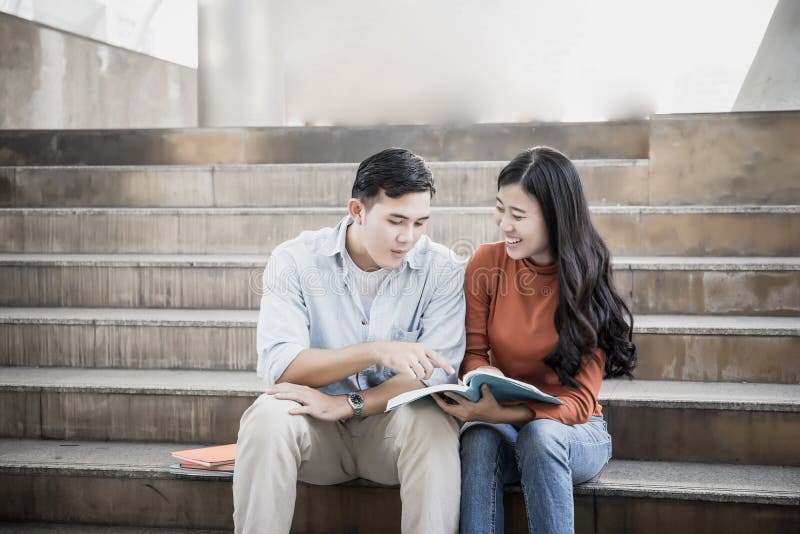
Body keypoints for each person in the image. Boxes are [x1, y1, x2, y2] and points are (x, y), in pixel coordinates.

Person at [233, 147, 467, 534]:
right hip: (316, 434)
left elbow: (434, 375)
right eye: (396, 220)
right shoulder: (294, 260)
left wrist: (346, 404)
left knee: (432, 420)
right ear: (357, 210)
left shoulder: (440, 269)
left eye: (420, 223)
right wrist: (375, 352)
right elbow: (282, 365)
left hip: (391, 432)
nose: (408, 237)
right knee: (267, 415)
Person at [433, 146, 637, 534]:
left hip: (574, 434)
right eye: (500, 209)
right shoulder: (486, 263)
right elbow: (472, 354)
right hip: (506, 427)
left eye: (518, 215)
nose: (503, 224)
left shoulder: (586, 277)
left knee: (539, 436)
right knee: (478, 437)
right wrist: (483, 373)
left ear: (555, 218)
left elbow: (578, 403)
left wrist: (502, 414)